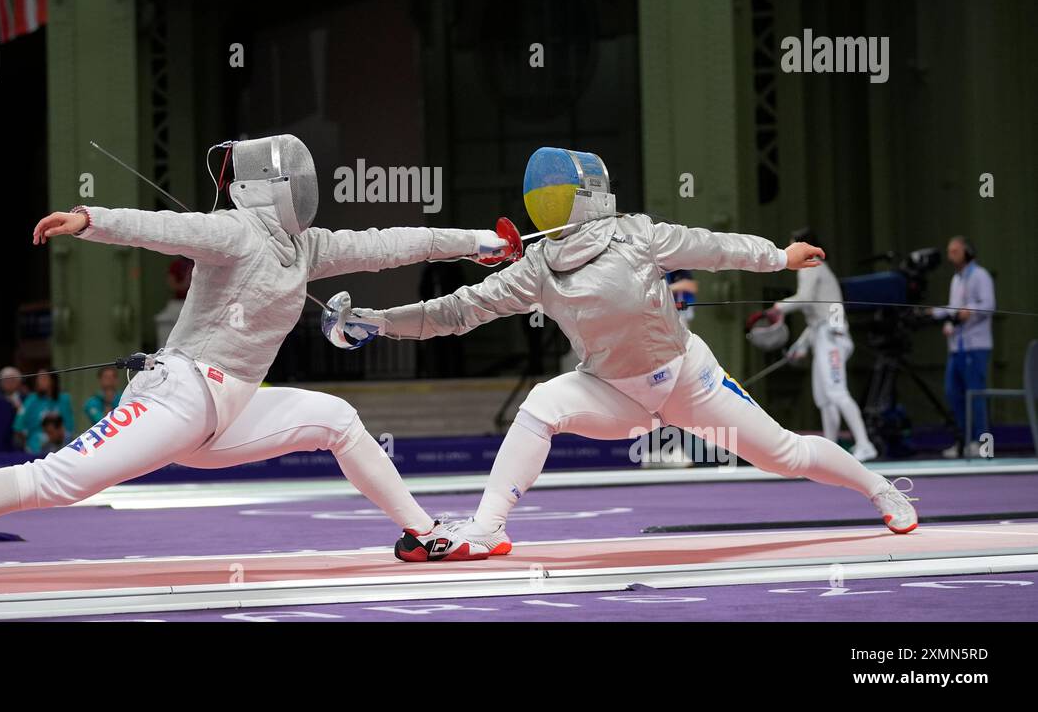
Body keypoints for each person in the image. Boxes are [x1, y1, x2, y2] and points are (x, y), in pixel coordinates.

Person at [0, 134, 519, 583]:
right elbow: (166, 229)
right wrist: (90, 219)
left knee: (337, 417)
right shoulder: (233, 231)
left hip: (234, 411)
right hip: (179, 396)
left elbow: (391, 240)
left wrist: (475, 242)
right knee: (57, 480)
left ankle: (422, 535)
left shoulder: (309, 249)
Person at [329, 147, 918, 560]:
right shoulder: (534, 267)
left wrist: (779, 257)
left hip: (691, 381)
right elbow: (456, 310)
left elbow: (712, 248)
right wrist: (380, 322)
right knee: (542, 403)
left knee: (784, 454)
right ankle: (487, 530)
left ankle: (880, 489)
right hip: (614, 393)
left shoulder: (637, 234)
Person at [771, 227, 876, 461]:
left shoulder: (811, 263)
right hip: (825, 336)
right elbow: (818, 318)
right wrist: (801, 345)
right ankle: (832, 449)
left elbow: (805, 297)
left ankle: (864, 443)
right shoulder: (818, 266)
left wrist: (779, 307)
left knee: (836, 392)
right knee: (824, 397)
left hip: (833, 338)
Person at [934, 235, 995, 458]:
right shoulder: (956, 279)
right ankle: (963, 442)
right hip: (956, 347)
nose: (951, 256)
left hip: (975, 345)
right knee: (954, 394)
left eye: (955, 251)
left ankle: (982, 443)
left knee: (975, 395)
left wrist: (969, 311)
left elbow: (988, 305)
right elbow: (953, 307)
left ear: (967, 251)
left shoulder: (980, 276)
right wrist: (935, 312)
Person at [13, 370, 74, 453]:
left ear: (53, 380)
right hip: (35, 448)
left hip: (61, 448)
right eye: (38, 378)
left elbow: (69, 427)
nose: (39, 381)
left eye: (44, 378)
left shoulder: (64, 399)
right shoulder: (31, 399)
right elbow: (18, 425)